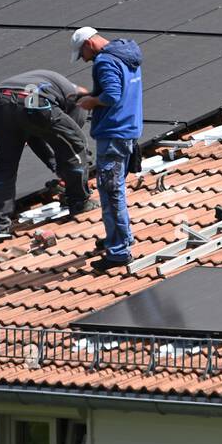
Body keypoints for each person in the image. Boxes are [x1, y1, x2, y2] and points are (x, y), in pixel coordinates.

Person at [71, 26, 143, 272]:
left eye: (82, 53)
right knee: (116, 189)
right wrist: (90, 93)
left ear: (88, 44)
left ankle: (119, 250)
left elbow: (112, 95)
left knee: (110, 192)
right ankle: (118, 237)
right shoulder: (127, 55)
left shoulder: (104, 61)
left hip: (113, 133)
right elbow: (120, 90)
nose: (84, 59)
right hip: (129, 129)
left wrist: (92, 102)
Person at [0, 69, 93, 234]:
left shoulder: (54, 84)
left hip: (1, 100)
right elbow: (68, 145)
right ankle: (79, 202)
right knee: (76, 145)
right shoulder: (79, 102)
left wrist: (55, 166)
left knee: (3, 167)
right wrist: (65, 170)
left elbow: (35, 138)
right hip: (34, 99)